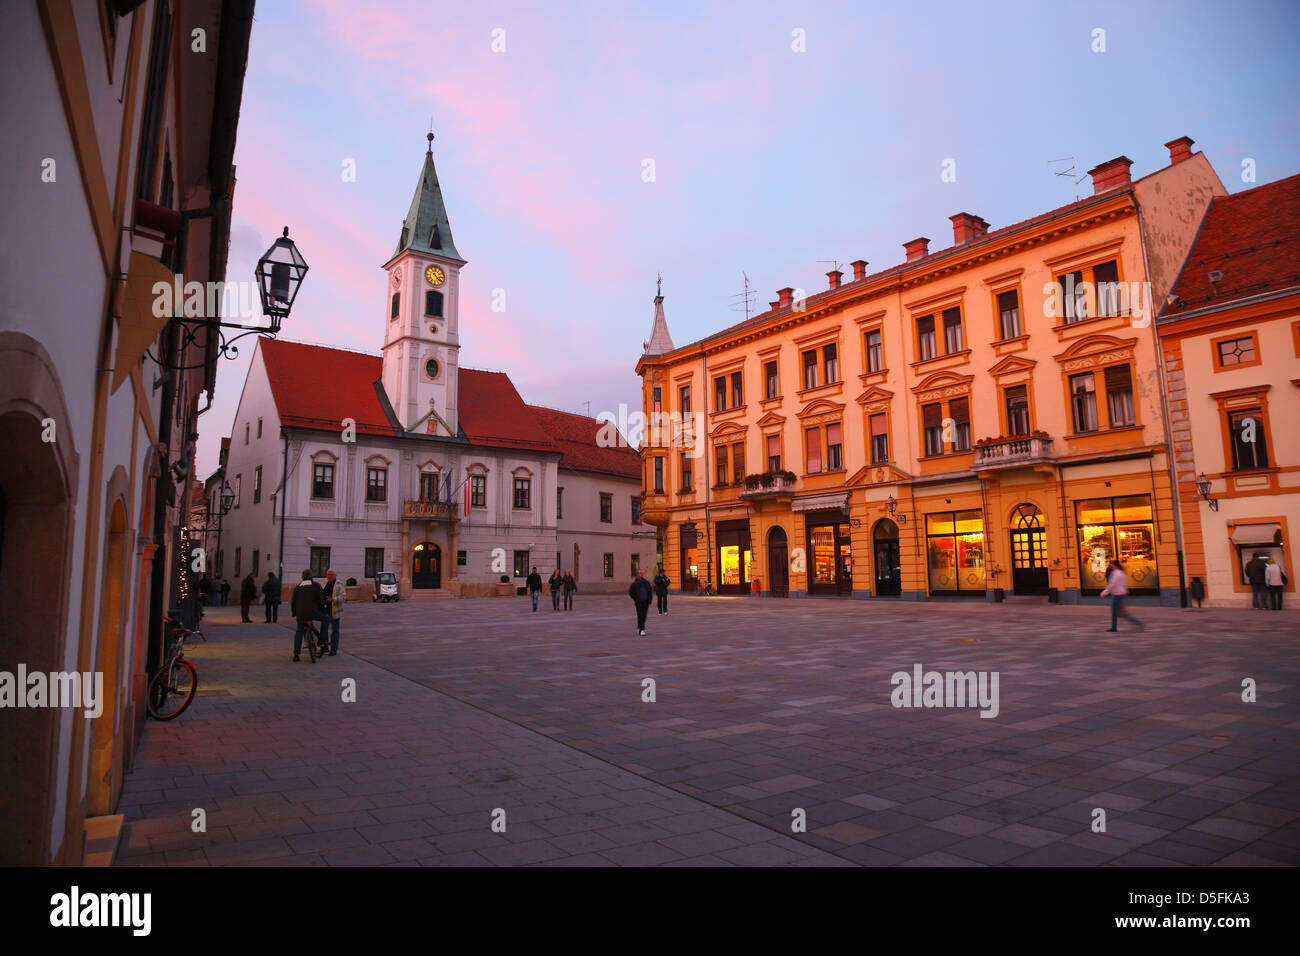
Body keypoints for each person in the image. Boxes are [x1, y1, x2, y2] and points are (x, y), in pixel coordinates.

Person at [290, 569, 326, 661]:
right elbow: (322, 599)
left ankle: (296, 655)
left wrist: (294, 613)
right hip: (314, 612)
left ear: (302, 577)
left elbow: (293, 602)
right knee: (327, 620)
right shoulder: (316, 586)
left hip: (301, 614)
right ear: (311, 577)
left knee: (299, 631)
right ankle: (322, 639)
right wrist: (322, 610)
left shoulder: (297, 588)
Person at [1100, 560, 1143, 632]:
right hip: (1121, 594)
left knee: (1120, 613)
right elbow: (1121, 584)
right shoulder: (1121, 572)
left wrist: (1104, 593)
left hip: (1117, 595)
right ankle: (1114, 627)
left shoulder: (1116, 573)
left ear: (1114, 565)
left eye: (1111, 565)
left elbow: (1112, 585)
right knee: (1119, 613)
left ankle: (1137, 623)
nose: (1110, 566)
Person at [321, 569, 345, 656]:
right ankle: (325, 647)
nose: (329, 576)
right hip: (325, 610)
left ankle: (334, 650)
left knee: (335, 631)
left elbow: (343, 597)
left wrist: (333, 599)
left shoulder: (339, 585)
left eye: (331, 574)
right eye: (328, 574)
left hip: (335, 610)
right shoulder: (324, 584)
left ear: (335, 575)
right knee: (324, 630)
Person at [629, 568, 653, 636]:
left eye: (642, 573)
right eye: (640, 573)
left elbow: (650, 591)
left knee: (644, 615)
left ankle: (640, 626)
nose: (641, 574)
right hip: (639, 602)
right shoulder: (634, 584)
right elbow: (631, 592)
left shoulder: (646, 582)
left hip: (646, 601)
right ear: (637, 574)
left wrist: (650, 599)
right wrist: (635, 599)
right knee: (640, 615)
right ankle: (642, 629)